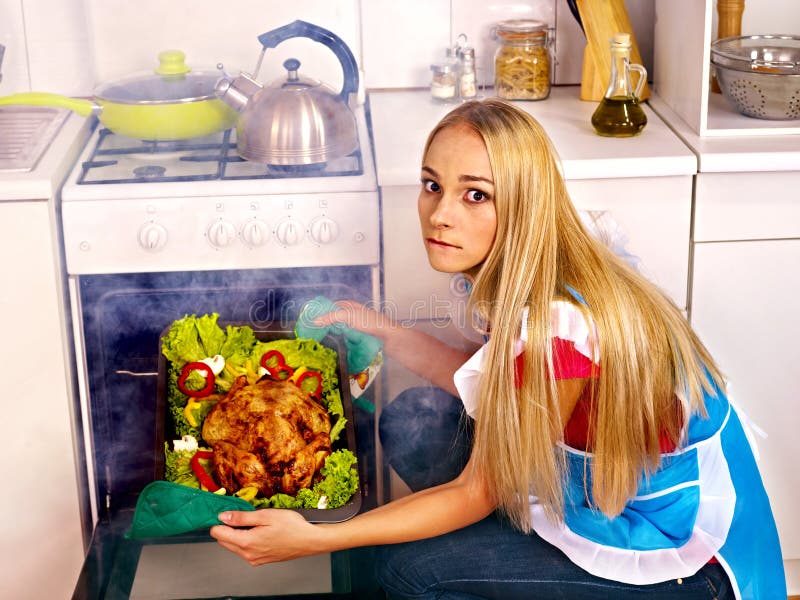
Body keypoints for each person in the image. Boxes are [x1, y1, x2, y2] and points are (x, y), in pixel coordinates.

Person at [210, 99, 785, 599]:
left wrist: (316, 539)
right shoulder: (535, 260)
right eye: (433, 185)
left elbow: (478, 490)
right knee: (415, 419)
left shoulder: (557, 325)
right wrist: (378, 326)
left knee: (410, 573)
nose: (440, 214)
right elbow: (497, 384)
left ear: (523, 205)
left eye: (475, 195)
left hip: (686, 556)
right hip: (590, 485)